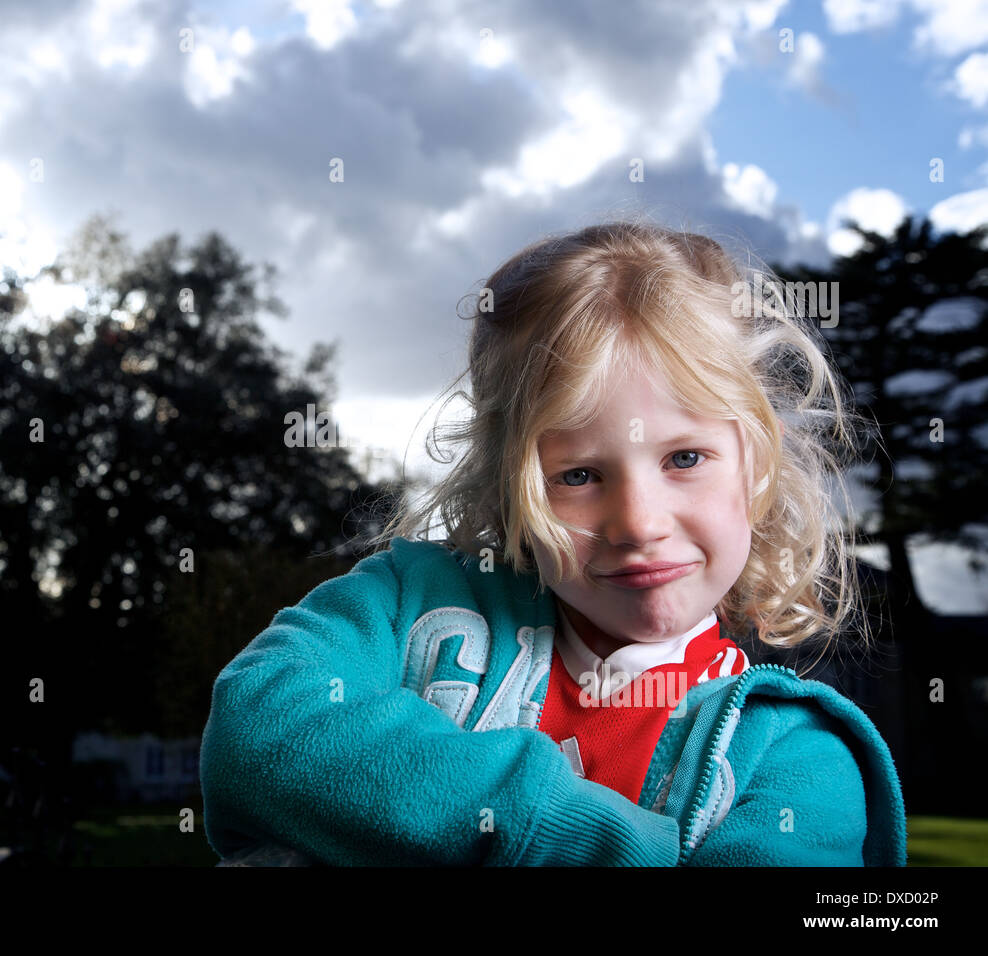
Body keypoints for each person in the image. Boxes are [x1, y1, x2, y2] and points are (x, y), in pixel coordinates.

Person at [199, 220, 906, 866]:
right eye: (577, 475)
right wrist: (552, 827)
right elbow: (255, 727)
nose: (638, 523)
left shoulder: (798, 761)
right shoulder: (402, 603)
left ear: (757, 466)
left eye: (685, 458)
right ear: (508, 487)